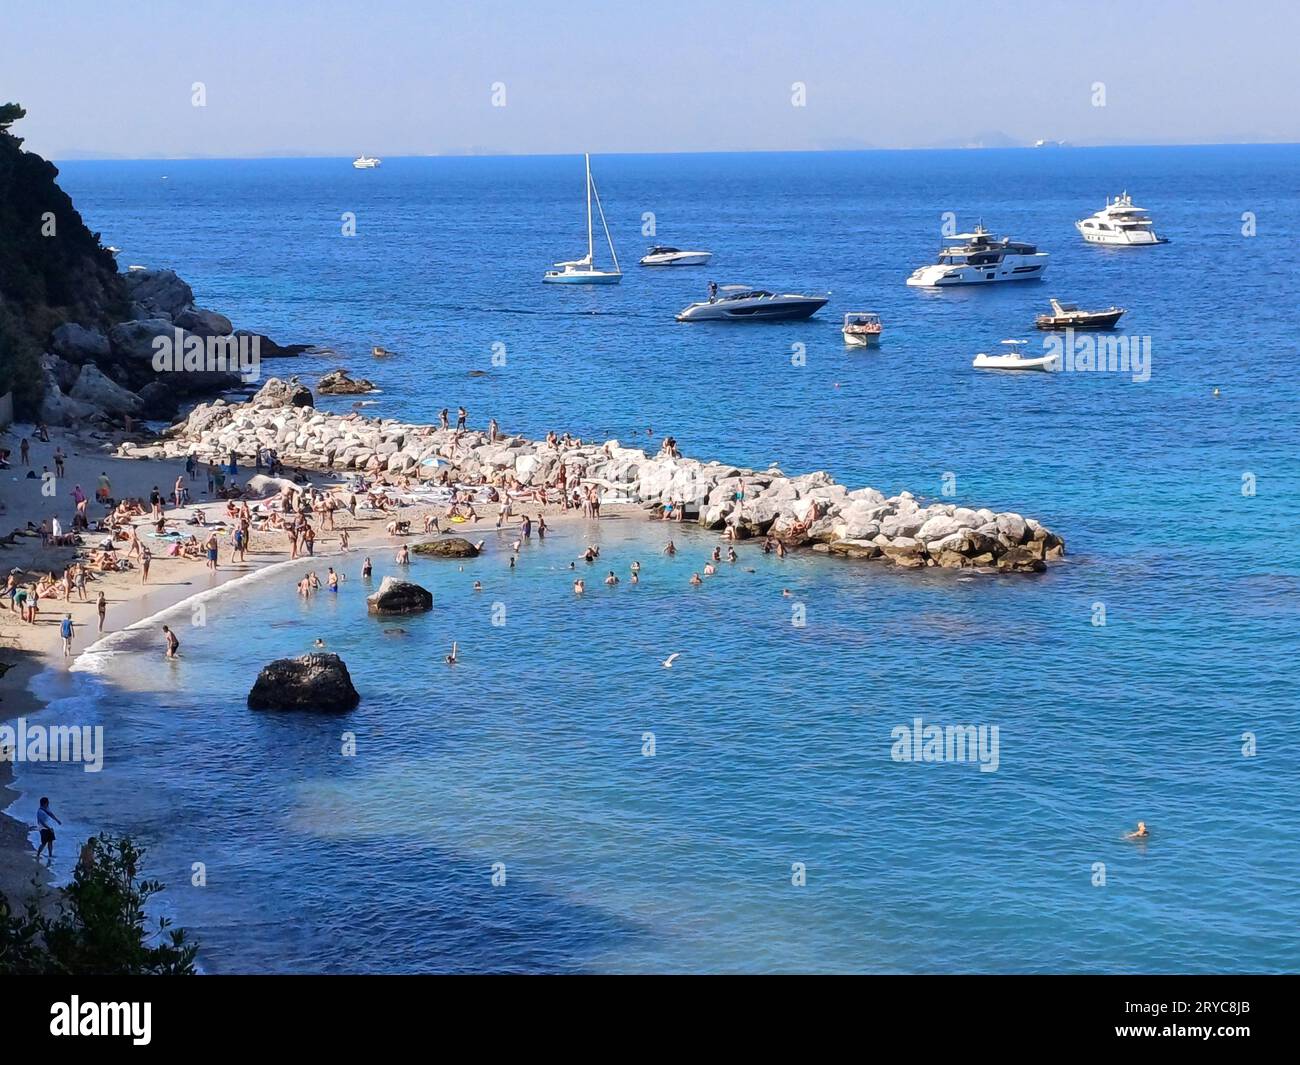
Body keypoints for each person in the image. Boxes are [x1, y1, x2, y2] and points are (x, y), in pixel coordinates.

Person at [35, 797, 61, 862]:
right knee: (44, 843)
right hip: (43, 829)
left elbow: (51, 814)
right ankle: (38, 854)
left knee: (50, 842)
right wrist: (49, 828)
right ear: (45, 803)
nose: (48, 804)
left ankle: (50, 855)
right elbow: (41, 822)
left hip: (50, 828)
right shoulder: (40, 811)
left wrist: (57, 820)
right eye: (47, 803)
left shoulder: (47, 809)